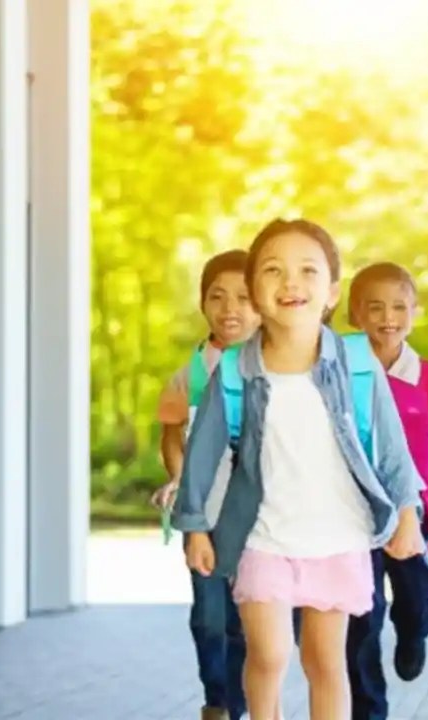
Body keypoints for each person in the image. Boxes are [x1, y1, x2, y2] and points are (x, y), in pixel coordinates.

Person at [172, 219, 425, 720]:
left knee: (325, 660)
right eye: (273, 270)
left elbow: (392, 446)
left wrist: (407, 511)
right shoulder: (235, 370)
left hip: (338, 535)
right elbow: (203, 452)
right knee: (267, 656)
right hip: (262, 535)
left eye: (307, 271)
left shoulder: (356, 361)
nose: (291, 283)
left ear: (331, 290)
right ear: (255, 291)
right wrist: (196, 526)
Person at [341, 261, 428, 720]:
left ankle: (415, 630)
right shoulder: (340, 370)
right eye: (374, 308)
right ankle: (369, 710)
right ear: (355, 314)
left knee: (413, 599)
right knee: (362, 618)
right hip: (355, 514)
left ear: (415, 311)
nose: (387, 317)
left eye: (398, 306)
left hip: (415, 511)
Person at [152, 249, 259, 720]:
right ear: (203, 304)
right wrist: (178, 479)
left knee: (250, 622)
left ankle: (244, 702)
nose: (230, 308)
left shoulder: (278, 364)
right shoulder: (187, 375)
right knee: (210, 619)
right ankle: (219, 701)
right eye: (217, 296)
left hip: (264, 520)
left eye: (242, 297)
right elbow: (171, 435)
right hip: (206, 518)